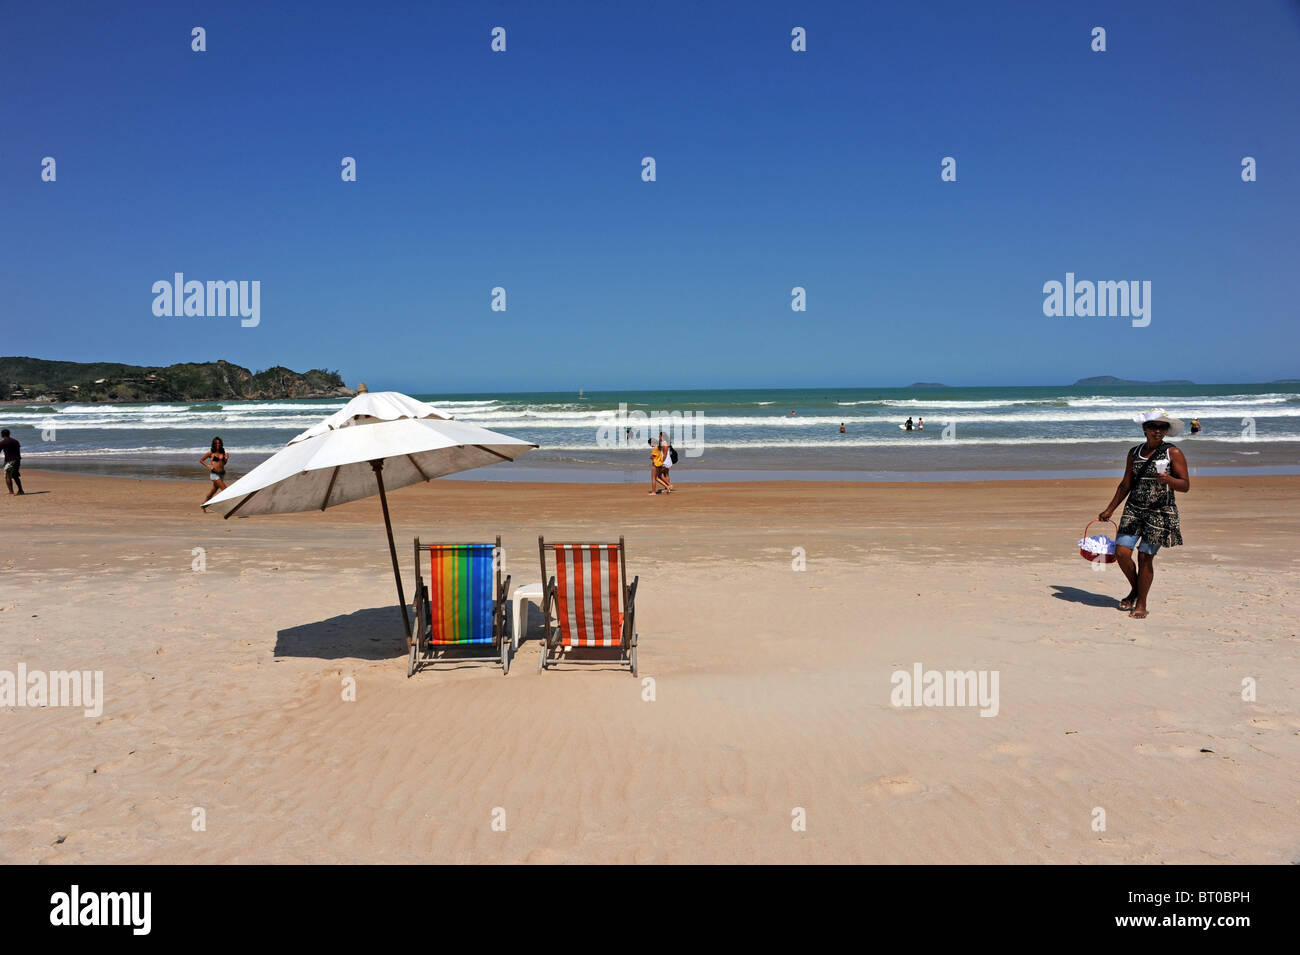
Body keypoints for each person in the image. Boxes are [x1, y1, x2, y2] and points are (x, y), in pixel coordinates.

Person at [1098, 409, 1189, 619]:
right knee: (1121, 553)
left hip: (1160, 512)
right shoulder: (1134, 452)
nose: (1158, 431)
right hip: (1134, 509)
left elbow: (1185, 485)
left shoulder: (1172, 453)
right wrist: (1110, 508)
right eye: (1153, 427)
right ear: (1144, 429)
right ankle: (1136, 589)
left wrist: (1169, 480)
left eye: (1162, 427)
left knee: (1145, 557)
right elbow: (1125, 484)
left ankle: (1142, 603)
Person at [200, 436, 229, 505]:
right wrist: (208, 466)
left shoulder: (223, 452)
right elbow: (201, 460)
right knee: (225, 490)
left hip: (222, 474)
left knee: (213, 491)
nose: (218, 444)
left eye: (219, 443)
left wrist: (226, 459)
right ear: (214, 444)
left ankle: (204, 504)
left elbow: (223, 464)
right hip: (214, 474)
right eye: (216, 443)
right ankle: (228, 506)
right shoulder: (210, 453)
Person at [0, 429, 24, 495]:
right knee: (15, 476)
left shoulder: (3, 442)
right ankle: (21, 490)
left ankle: (11, 492)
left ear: (2, 435)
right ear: (9, 434)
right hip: (17, 460)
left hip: (9, 461)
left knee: (8, 476)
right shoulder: (16, 441)